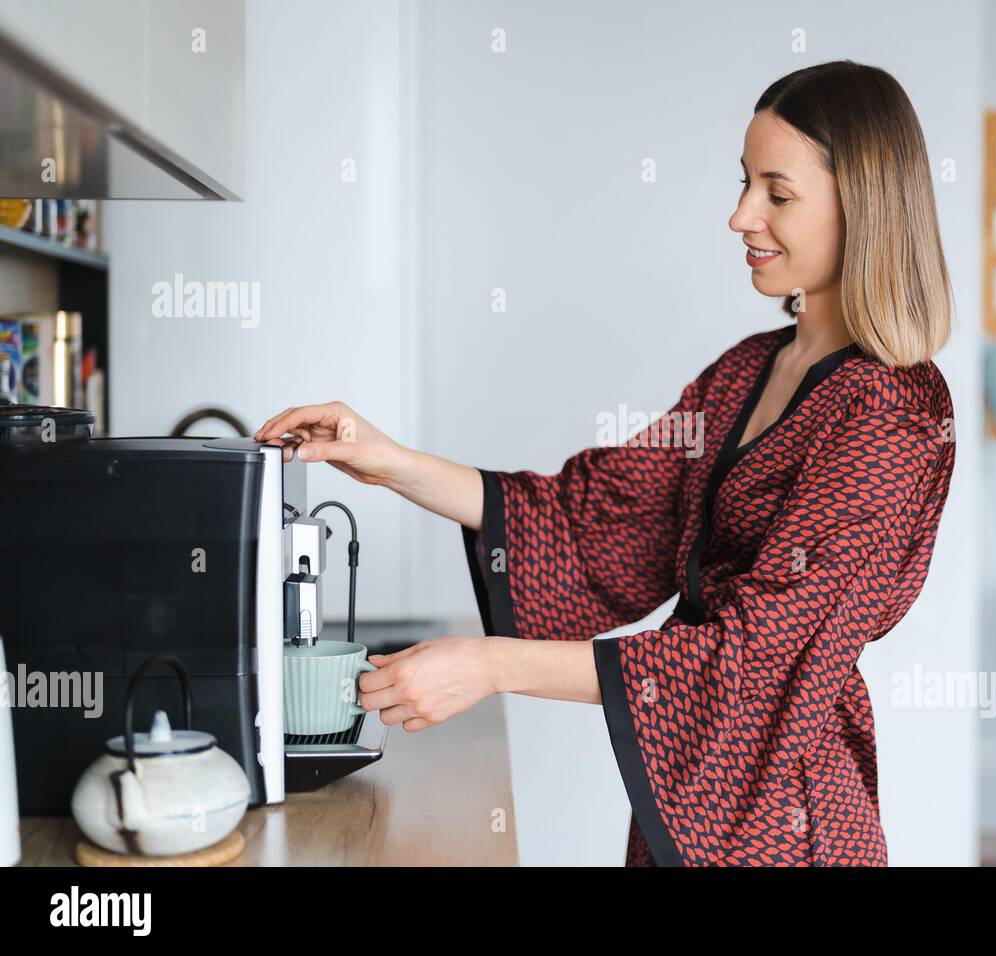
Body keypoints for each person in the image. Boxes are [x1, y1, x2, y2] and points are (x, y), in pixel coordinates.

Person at [255, 60, 956, 867]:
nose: (739, 216)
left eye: (777, 193)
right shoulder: (748, 370)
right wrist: (385, 460)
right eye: (743, 183)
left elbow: (755, 655)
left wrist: (489, 666)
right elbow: (598, 516)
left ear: (863, 207)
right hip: (691, 804)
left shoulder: (893, 414)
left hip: (786, 819)